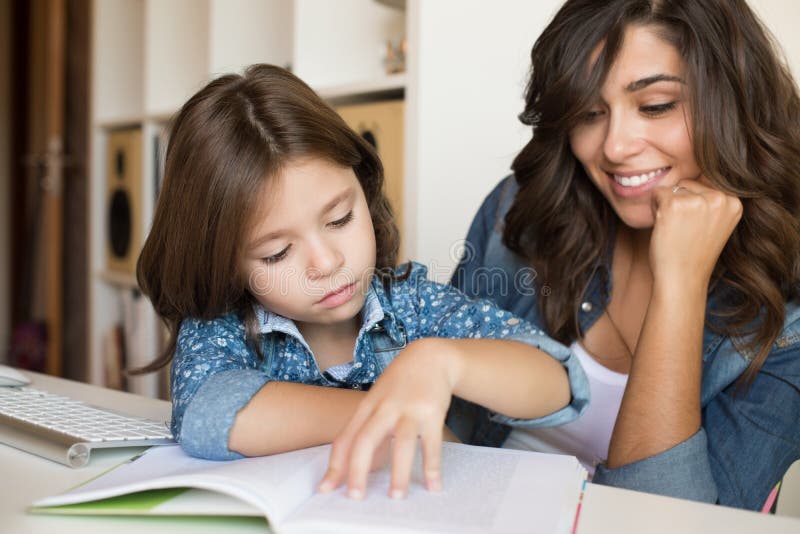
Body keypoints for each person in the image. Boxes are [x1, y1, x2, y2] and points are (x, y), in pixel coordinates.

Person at [134, 64, 589, 501]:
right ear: (224, 262)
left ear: (365, 189)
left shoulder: (412, 306)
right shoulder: (226, 326)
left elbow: (558, 382)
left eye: (339, 219)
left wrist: (442, 362)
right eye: (276, 252)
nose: (326, 262)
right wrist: (383, 417)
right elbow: (205, 413)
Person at [435, 0, 800, 512]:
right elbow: (434, 418)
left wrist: (680, 283)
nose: (614, 147)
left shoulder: (789, 319)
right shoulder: (517, 211)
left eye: (655, 106)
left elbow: (664, 518)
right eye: (589, 113)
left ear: (735, 101)